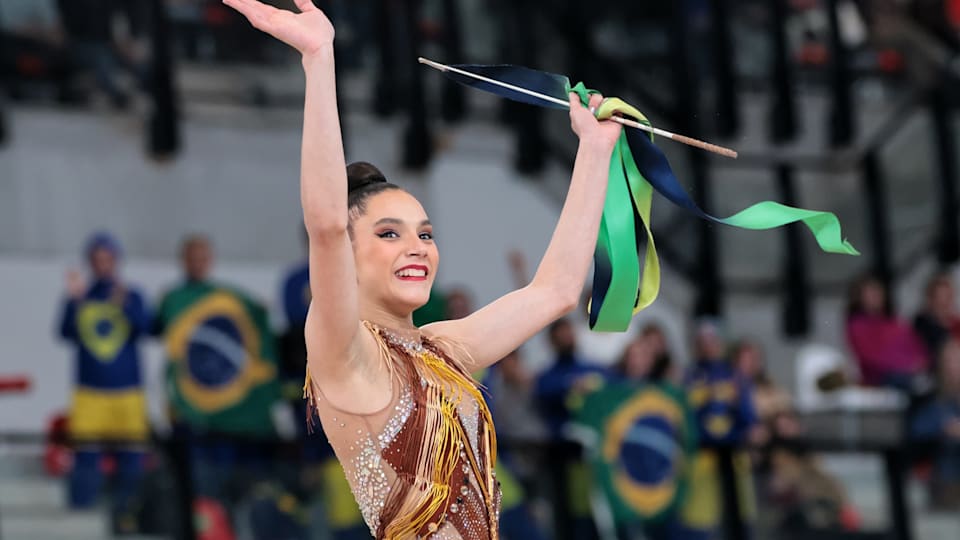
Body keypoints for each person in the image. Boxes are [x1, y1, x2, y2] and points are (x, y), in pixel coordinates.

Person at [222, 2, 621, 537]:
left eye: (425, 234)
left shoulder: (443, 348)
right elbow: (324, 223)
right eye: (389, 234)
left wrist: (594, 154)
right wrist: (319, 60)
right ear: (348, 251)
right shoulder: (345, 352)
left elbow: (556, 291)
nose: (417, 248)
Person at [56, 232, 152, 534]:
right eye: (97, 259)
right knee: (85, 459)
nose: (103, 265)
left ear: (116, 261)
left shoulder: (131, 294)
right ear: (90, 263)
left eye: (108, 259)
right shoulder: (81, 296)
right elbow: (64, 333)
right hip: (89, 393)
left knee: (133, 460)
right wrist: (74, 302)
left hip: (128, 393)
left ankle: (128, 519)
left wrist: (125, 305)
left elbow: (146, 328)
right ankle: (79, 522)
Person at [845, 274, 929, 390]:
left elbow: (917, 348)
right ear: (859, 297)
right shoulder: (857, 326)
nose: (876, 296)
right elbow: (871, 358)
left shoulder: (895, 323)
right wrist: (906, 366)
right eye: (871, 293)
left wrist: (920, 363)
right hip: (880, 379)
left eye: (878, 292)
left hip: (912, 375)